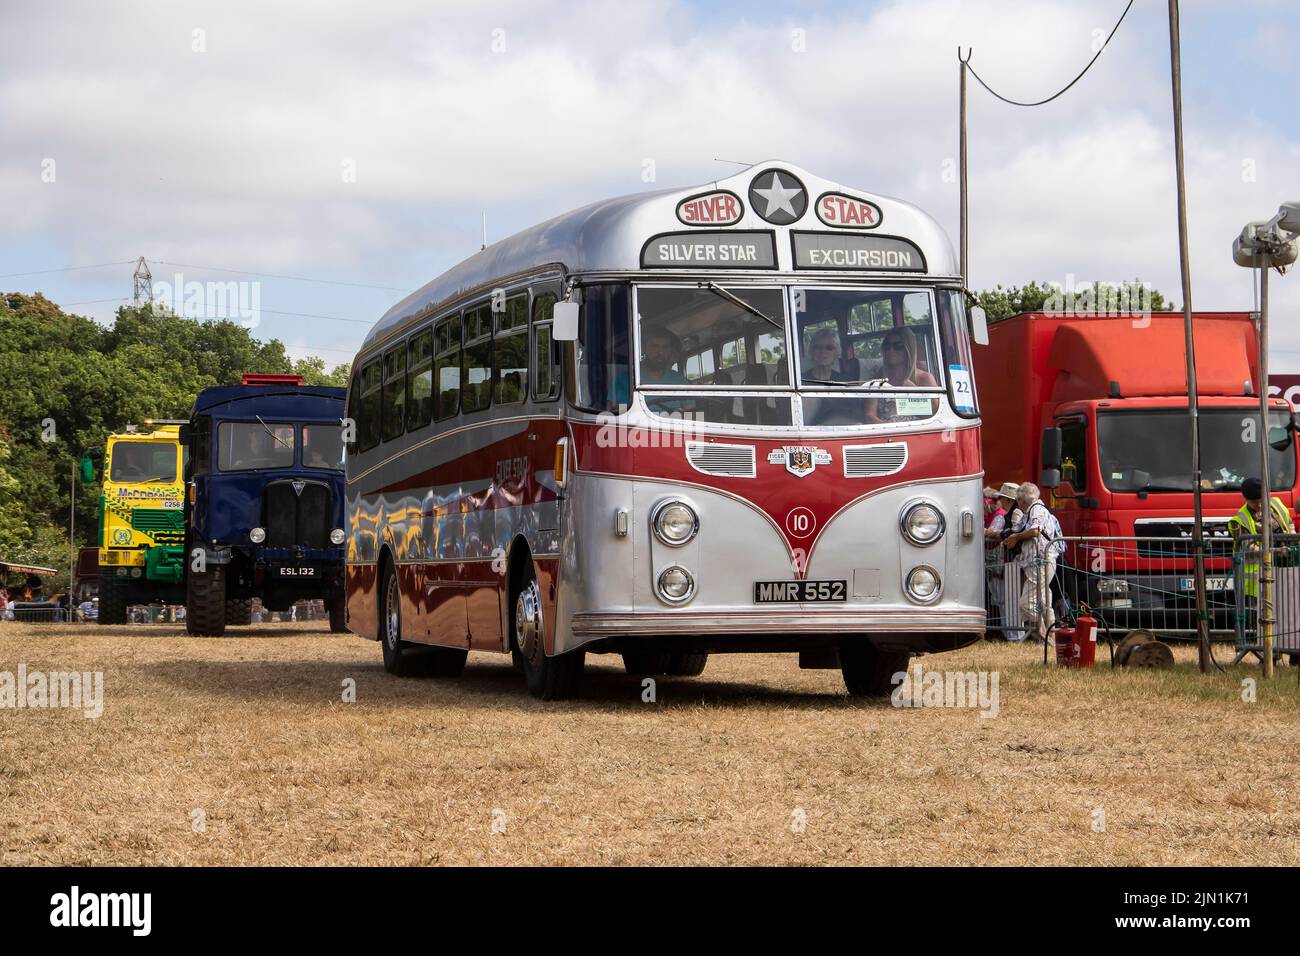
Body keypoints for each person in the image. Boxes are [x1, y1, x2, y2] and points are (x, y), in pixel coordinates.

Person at [1228, 476, 1295, 636]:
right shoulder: (1240, 519)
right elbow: (1249, 549)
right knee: (1268, 617)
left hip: (1287, 570)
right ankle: (1270, 654)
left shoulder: (1276, 504)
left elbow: (1289, 522)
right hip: (1262, 576)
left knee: (1291, 612)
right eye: (1254, 502)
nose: (1258, 505)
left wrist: (1292, 536)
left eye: (1260, 500)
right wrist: (1275, 551)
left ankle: (1293, 651)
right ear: (1245, 499)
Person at [1002, 481, 1064, 645]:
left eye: (1018, 500)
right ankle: (1053, 637)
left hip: (1040, 561)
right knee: (1044, 601)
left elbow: (1036, 530)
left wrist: (1016, 538)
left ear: (1022, 500)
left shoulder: (1037, 510)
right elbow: (1017, 529)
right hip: (1037, 562)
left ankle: (1044, 634)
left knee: (1026, 604)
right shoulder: (1031, 511)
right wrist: (1011, 536)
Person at [865, 327, 938, 423]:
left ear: (909, 349)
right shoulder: (876, 381)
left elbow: (936, 413)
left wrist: (916, 392)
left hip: (919, 432)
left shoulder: (924, 379)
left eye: (898, 346)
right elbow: (869, 415)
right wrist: (887, 427)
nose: (891, 351)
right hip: (887, 433)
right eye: (887, 346)